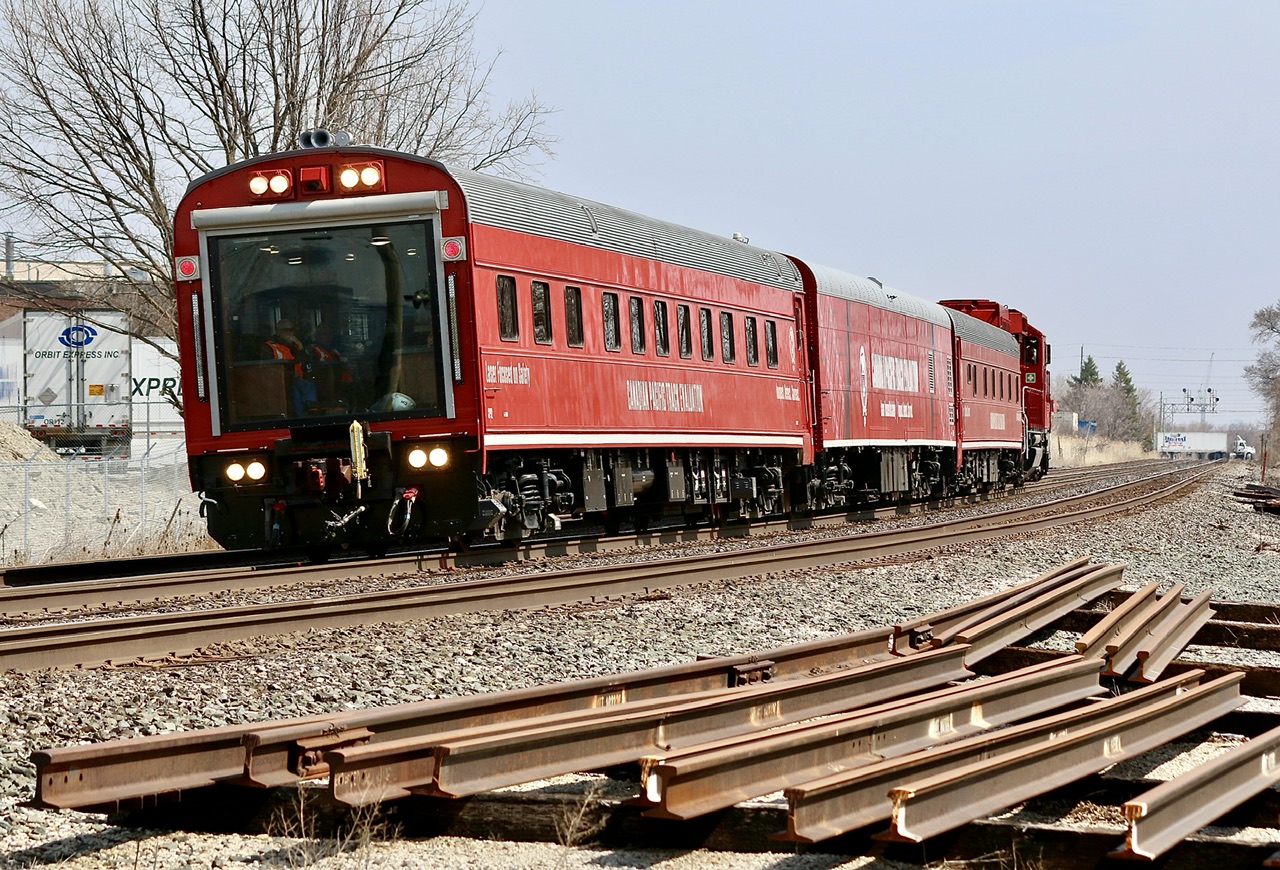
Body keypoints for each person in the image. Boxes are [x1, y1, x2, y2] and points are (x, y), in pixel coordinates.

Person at [264, 318, 317, 415]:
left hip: (298, 381)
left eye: (291, 330)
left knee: (304, 386)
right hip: (279, 383)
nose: (288, 333)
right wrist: (290, 374)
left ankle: (306, 415)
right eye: (285, 330)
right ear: (277, 331)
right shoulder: (269, 346)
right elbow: (267, 370)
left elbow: (308, 368)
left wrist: (300, 348)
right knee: (303, 387)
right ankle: (307, 415)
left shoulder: (297, 346)